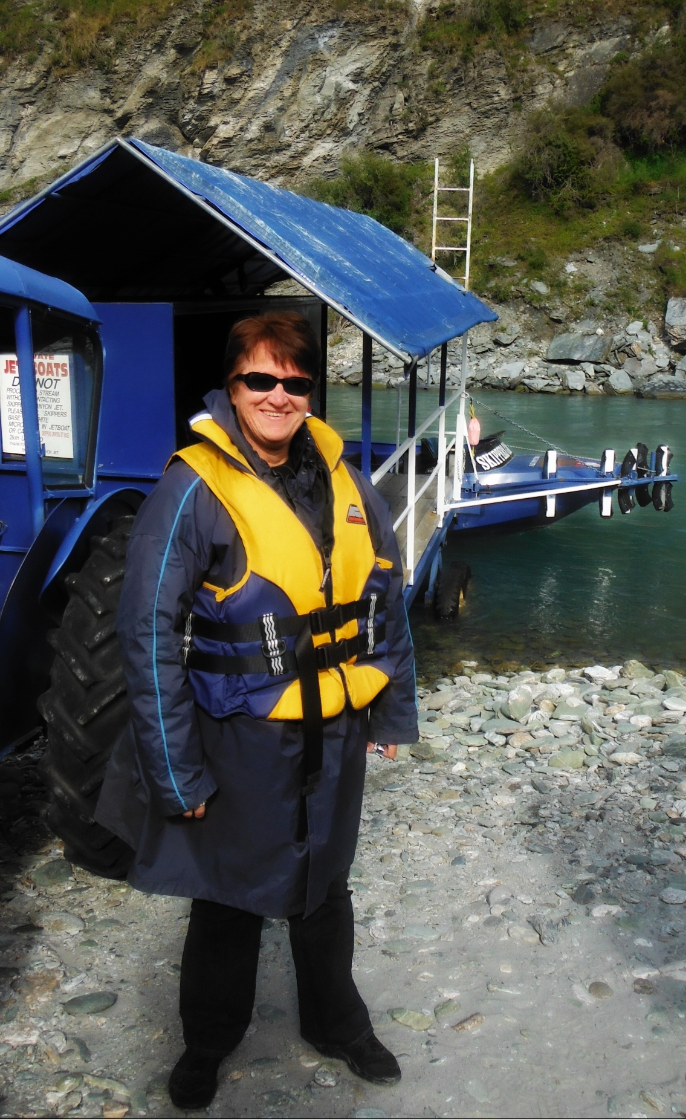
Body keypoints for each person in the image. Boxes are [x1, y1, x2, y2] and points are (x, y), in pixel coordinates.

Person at [96, 311, 419, 1110]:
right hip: (239, 731)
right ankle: (207, 1042)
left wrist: (392, 713)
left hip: (336, 727)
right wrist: (177, 774)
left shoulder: (344, 481)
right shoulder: (190, 488)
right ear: (231, 385)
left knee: (324, 882)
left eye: (295, 382)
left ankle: (336, 1022)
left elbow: (385, 596)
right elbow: (147, 634)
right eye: (260, 380)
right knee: (230, 896)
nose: (278, 396)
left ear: (311, 391)